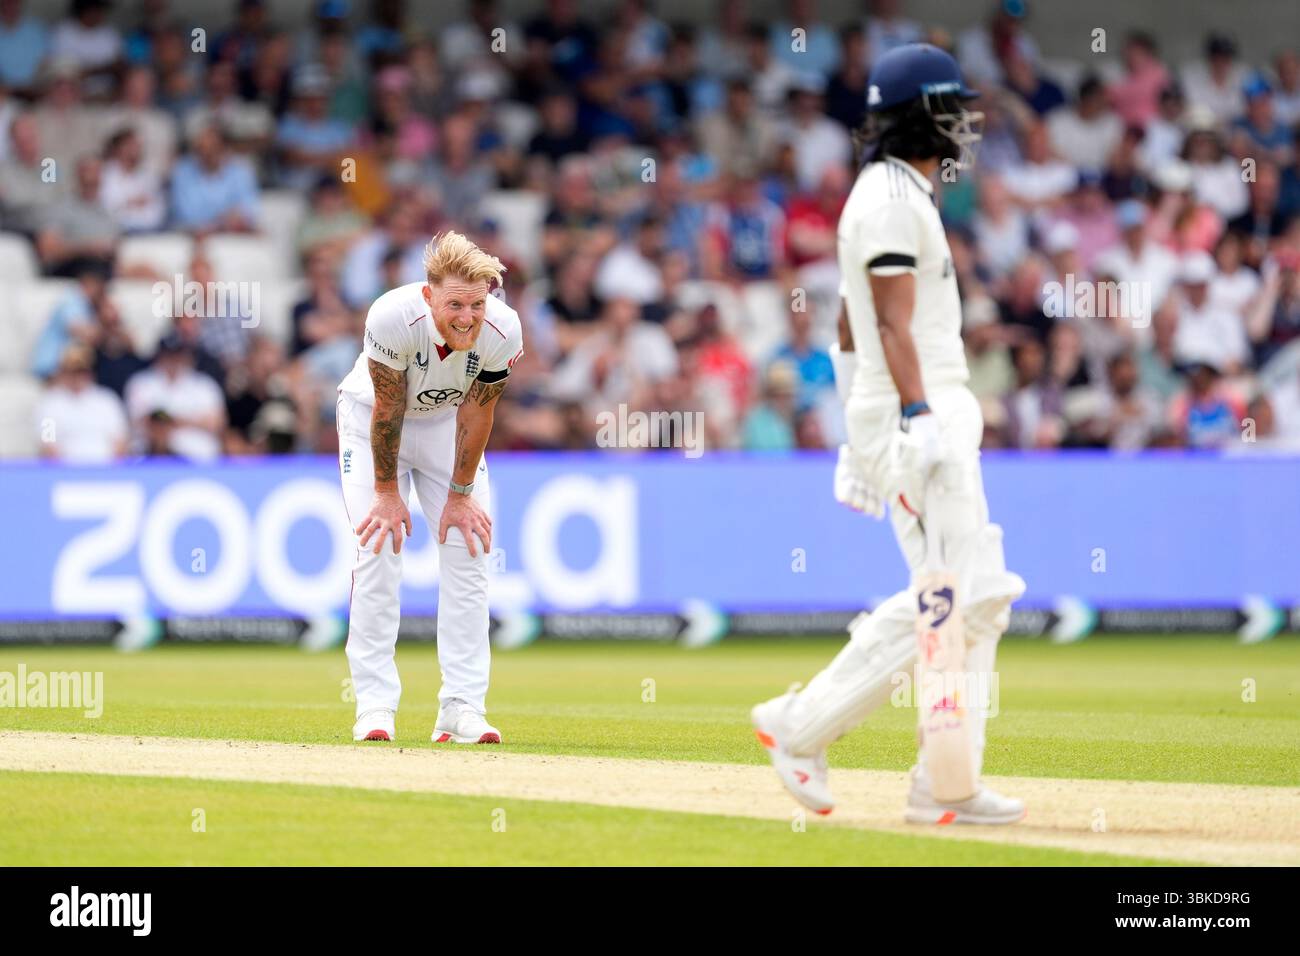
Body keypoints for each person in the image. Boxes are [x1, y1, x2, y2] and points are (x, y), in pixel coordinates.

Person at [752, 43, 1026, 826]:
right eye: (953, 109)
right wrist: (911, 418)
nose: (965, 124)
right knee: (958, 595)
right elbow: (892, 325)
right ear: (921, 115)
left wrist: (855, 430)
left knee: (979, 598)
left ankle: (945, 782)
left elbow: (847, 320)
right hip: (923, 416)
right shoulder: (893, 202)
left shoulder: (898, 191)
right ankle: (801, 728)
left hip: (915, 412)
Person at [336, 232, 523, 745]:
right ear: (428, 295)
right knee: (377, 545)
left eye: (477, 304)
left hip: (447, 426)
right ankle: (373, 705)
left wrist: (461, 496)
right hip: (370, 420)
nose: (467, 317)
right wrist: (386, 492)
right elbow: (388, 408)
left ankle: (461, 708)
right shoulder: (392, 316)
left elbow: (479, 409)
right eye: (455, 304)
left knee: (470, 546)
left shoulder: (502, 329)